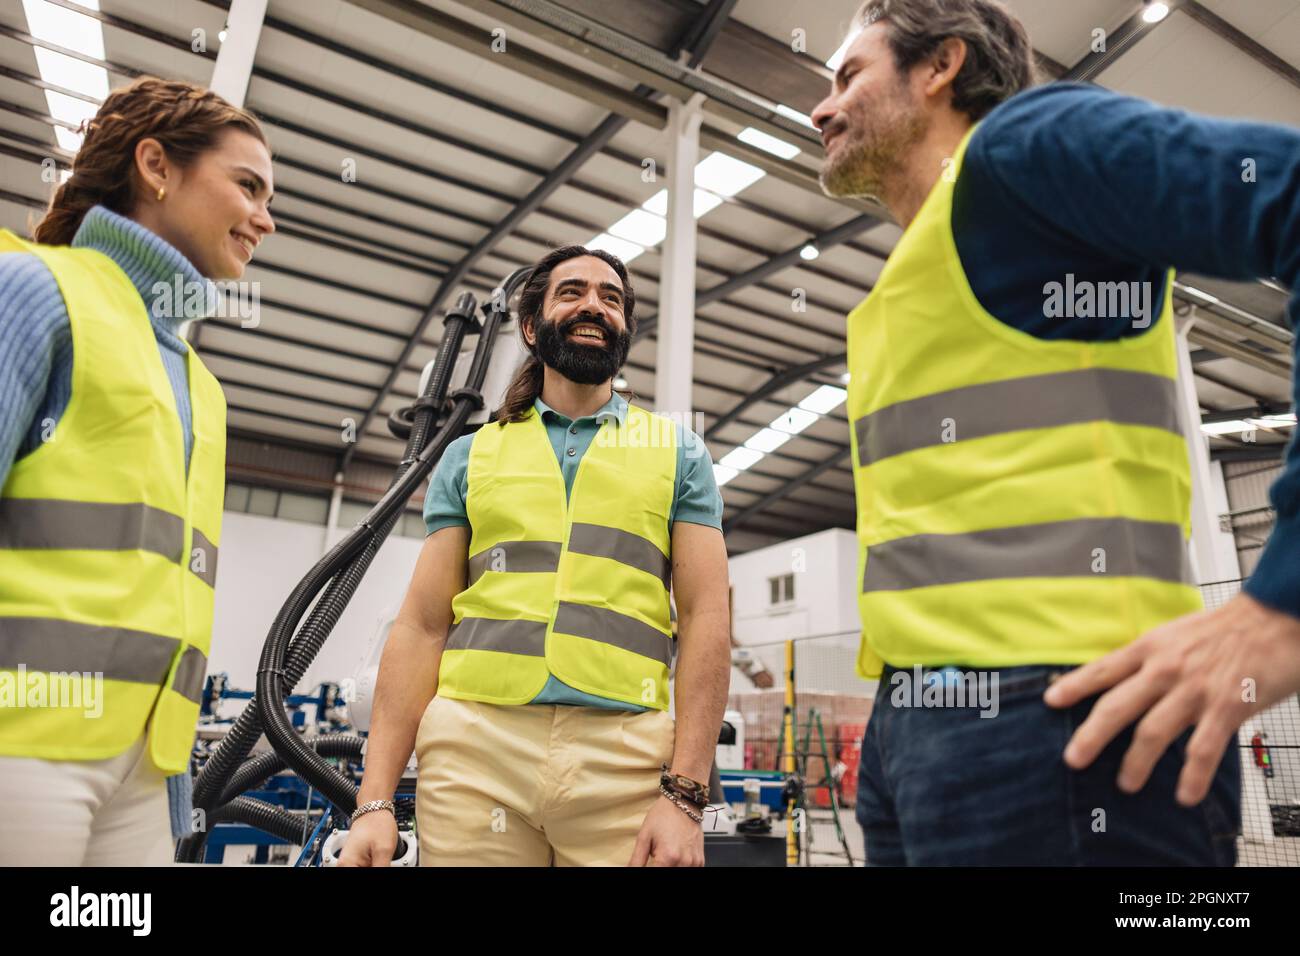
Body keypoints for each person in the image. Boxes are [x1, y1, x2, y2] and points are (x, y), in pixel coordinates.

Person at [811, 0, 1300, 865]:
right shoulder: (917, 273)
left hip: (1065, 715)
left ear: (940, 67)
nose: (822, 106)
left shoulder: (1026, 149)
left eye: (849, 75)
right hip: (916, 734)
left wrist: (1287, 601)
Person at [341, 245, 731, 866]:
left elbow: (709, 618)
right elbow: (421, 626)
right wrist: (375, 800)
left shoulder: (678, 452)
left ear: (625, 328)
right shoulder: (469, 456)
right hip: (476, 752)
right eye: (572, 291)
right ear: (531, 326)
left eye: (611, 298)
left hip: (626, 760)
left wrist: (686, 794)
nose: (593, 306)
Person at [0, 77, 275, 865]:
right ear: (156, 167)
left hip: (147, 774)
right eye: (247, 185)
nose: (266, 218)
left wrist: (172, 787)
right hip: (24, 750)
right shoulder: (35, 294)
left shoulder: (199, 383)